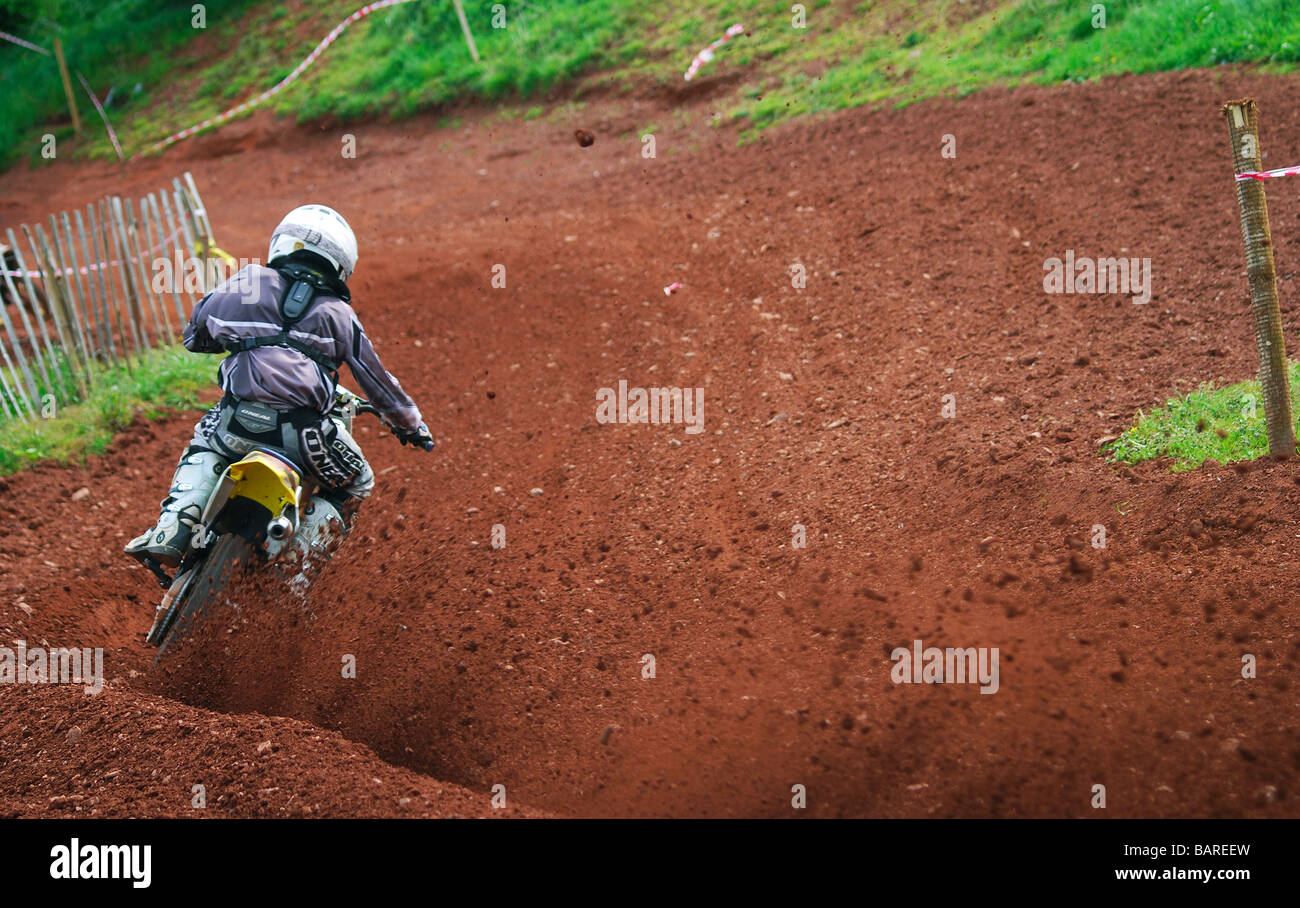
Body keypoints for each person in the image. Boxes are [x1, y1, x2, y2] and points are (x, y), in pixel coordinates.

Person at [125, 204, 433, 570]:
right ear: (341, 265)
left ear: (283, 244)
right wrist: (410, 426)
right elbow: (377, 381)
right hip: (303, 436)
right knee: (358, 482)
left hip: (236, 422)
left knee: (204, 445)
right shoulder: (339, 314)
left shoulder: (250, 281)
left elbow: (195, 331)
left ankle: (174, 526)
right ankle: (298, 567)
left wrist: (229, 339)